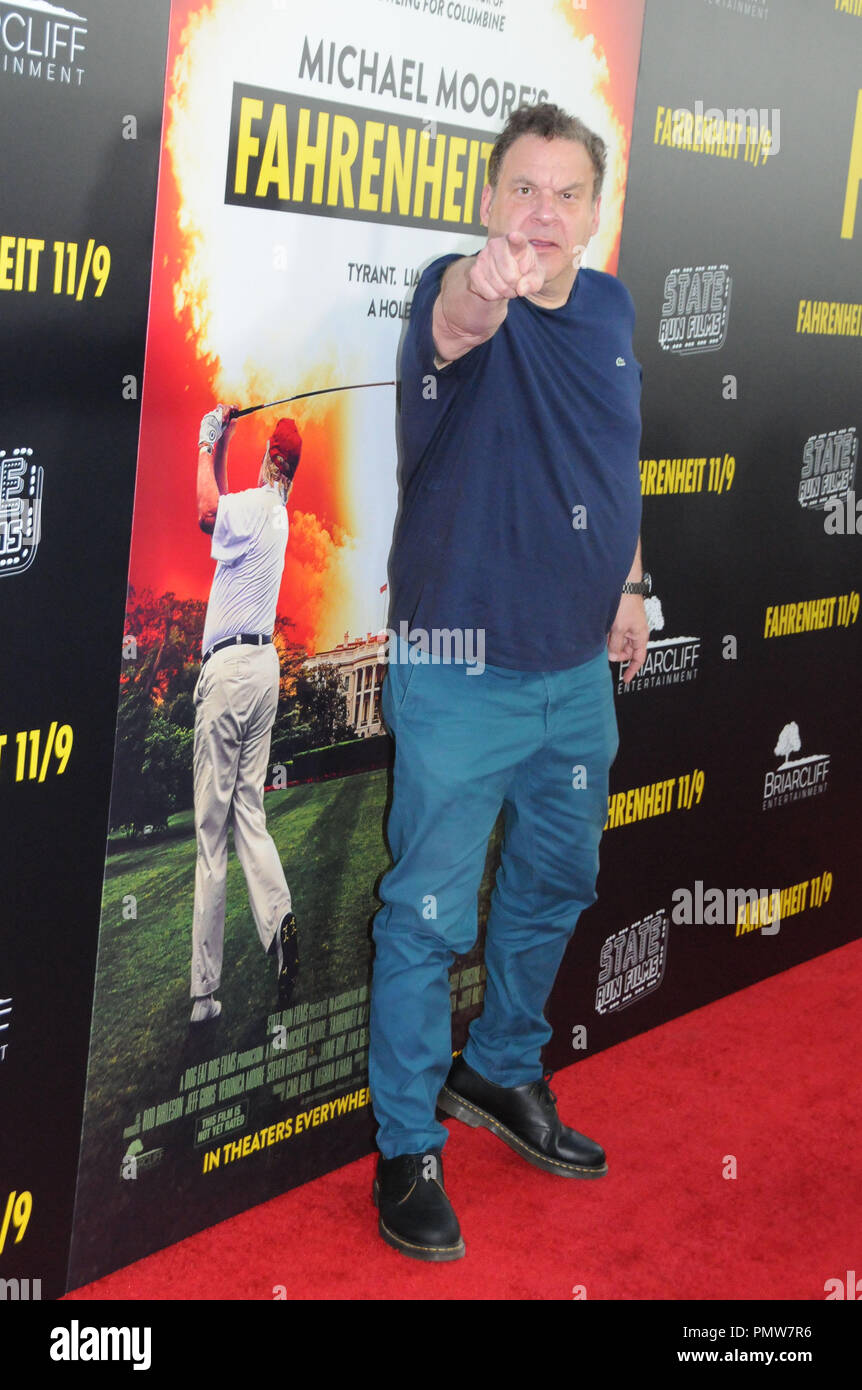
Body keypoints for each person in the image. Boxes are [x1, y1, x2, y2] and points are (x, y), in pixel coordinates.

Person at [370, 104, 650, 1260]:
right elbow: (456, 319)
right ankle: (405, 1144)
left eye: (566, 191)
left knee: (554, 881)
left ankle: (500, 1070)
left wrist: (631, 582)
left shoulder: (613, 307)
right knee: (426, 916)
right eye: (522, 189)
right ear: (489, 203)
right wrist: (484, 288)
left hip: (575, 668)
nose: (542, 212)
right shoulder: (458, 289)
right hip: (456, 671)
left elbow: (615, 453)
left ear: (595, 209)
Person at [189, 405, 302, 1024]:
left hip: (229, 672)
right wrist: (225, 447)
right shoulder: (275, 514)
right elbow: (223, 509)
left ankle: (205, 996)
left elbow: (208, 511)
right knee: (249, 815)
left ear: (270, 462)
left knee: (211, 834)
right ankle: (280, 920)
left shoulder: (255, 507)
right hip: (263, 674)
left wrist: (207, 439)